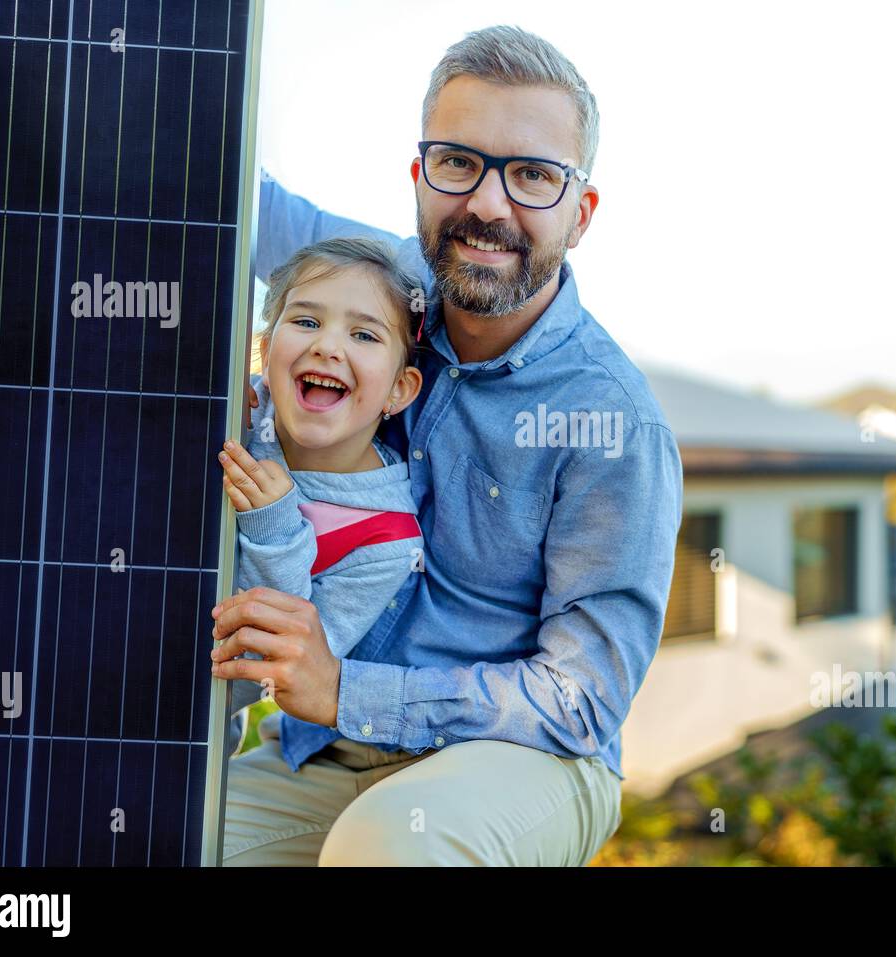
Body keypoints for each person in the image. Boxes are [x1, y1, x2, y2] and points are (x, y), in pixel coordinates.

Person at [210, 24, 684, 866]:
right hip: (329, 750)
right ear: (421, 177)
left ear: (581, 214)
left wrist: (346, 688)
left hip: (529, 760)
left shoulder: (614, 423)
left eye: (533, 175)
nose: (489, 205)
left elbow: (580, 698)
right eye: (460, 163)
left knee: (387, 845)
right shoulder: (376, 292)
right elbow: (234, 194)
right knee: (137, 820)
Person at [216, 237, 426, 757]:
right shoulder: (234, 414)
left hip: (188, 716)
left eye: (363, 334)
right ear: (265, 350)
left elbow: (281, 664)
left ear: (399, 390)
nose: (328, 347)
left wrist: (276, 531)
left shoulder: (384, 537)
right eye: (306, 322)